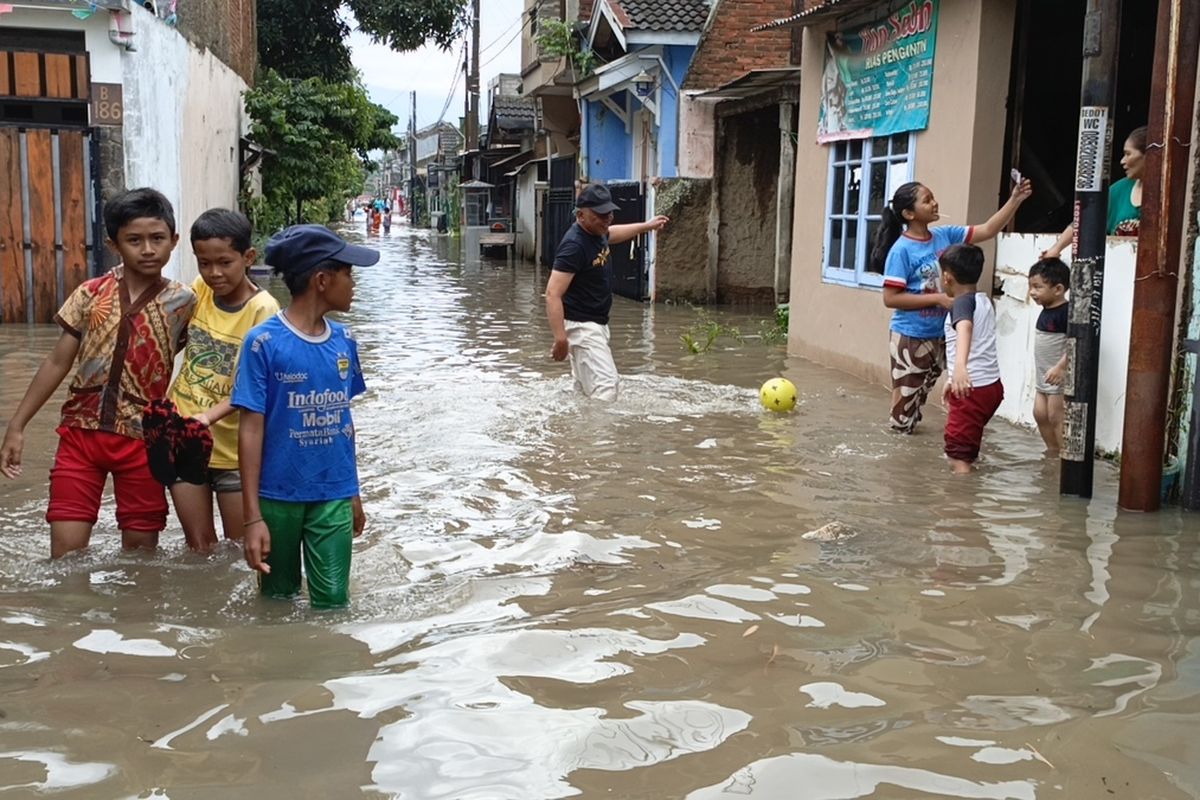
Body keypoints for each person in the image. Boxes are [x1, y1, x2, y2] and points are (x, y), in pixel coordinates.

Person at [0, 188, 195, 557]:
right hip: (80, 437)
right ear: (114, 244)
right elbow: (57, 362)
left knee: (141, 558)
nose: (148, 249)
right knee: (66, 556)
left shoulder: (184, 302)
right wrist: (17, 425)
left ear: (174, 240)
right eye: (134, 240)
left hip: (142, 439)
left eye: (157, 239)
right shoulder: (90, 294)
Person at [231, 224, 378, 609]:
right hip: (276, 498)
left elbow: (344, 423)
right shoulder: (263, 343)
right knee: (277, 601)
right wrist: (252, 518)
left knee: (333, 603)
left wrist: (353, 492)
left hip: (332, 494)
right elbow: (250, 430)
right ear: (322, 280)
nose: (353, 282)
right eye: (348, 273)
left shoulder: (344, 342)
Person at [870, 178, 1032, 433]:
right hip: (912, 337)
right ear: (909, 214)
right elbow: (890, 299)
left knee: (928, 397)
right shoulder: (901, 251)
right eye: (927, 200)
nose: (935, 203)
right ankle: (901, 461)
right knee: (903, 414)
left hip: (945, 335)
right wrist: (938, 299)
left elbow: (988, 229)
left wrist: (1015, 200)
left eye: (933, 197)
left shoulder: (945, 235)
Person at [167, 209, 280, 552]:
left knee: (240, 552)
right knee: (199, 548)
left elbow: (257, 389)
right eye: (204, 262)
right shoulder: (199, 289)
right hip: (184, 438)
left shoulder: (264, 311)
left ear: (248, 258)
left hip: (234, 454)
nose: (213, 273)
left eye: (224, 262)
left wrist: (208, 417)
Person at [545, 184, 670, 401]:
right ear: (581, 215)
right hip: (582, 326)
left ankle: (576, 431)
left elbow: (613, 234)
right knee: (606, 387)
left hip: (595, 324)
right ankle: (601, 435)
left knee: (585, 391)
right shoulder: (574, 246)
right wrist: (561, 339)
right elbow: (552, 293)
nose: (607, 219)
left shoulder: (597, 232)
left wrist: (647, 226)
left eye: (609, 213)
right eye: (601, 215)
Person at [938, 244, 1003, 474]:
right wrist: (952, 376)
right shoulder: (982, 300)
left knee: (957, 458)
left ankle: (960, 506)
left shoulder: (962, 303)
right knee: (966, 447)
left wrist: (959, 368)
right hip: (991, 387)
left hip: (970, 391)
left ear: (946, 277)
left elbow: (964, 328)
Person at [1043, 125, 1147, 258]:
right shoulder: (1119, 190)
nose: (1122, 161)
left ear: (1148, 155)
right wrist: (1056, 249)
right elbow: (1084, 219)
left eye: (1128, 154)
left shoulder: (1168, 194)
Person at [1027, 257, 1070, 453]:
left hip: (1057, 377)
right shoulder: (1045, 311)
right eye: (1031, 287)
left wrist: (1061, 366)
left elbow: (1076, 343)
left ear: (1058, 289)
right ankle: (1052, 452)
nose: (1032, 292)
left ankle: (1064, 455)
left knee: (1055, 416)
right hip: (1043, 376)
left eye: (1038, 287)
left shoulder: (1066, 312)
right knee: (1040, 414)